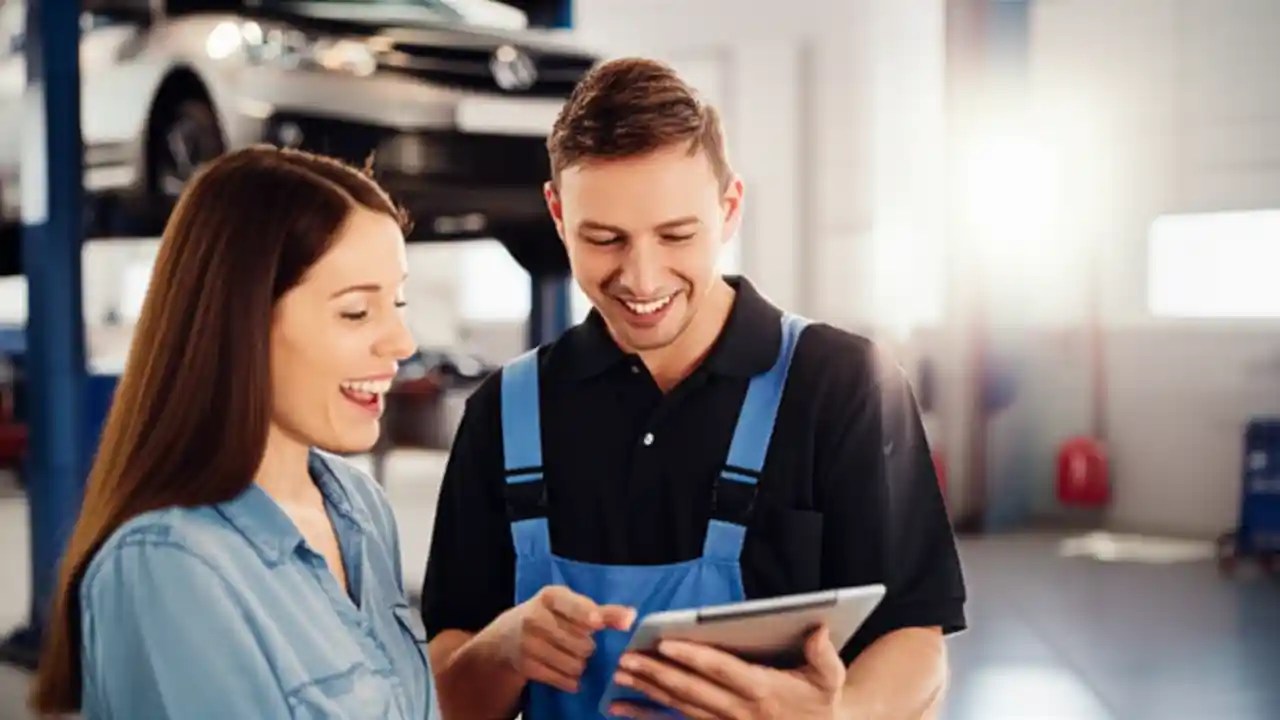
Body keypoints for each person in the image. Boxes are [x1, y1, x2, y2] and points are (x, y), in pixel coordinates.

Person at [421, 57, 967, 719]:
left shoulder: (845, 386)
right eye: (604, 239)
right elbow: (447, 695)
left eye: (676, 235)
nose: (642, 279)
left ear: (729, 207)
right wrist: (502, 650)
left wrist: (838, 716)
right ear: (558, 214)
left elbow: (915, 641)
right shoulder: (503, 416)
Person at [31, 146, 438, 719]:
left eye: (396, 302)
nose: (402, 342)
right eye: (356, 312)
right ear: (242, 321)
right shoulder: (168, 568)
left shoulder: (359, 509)